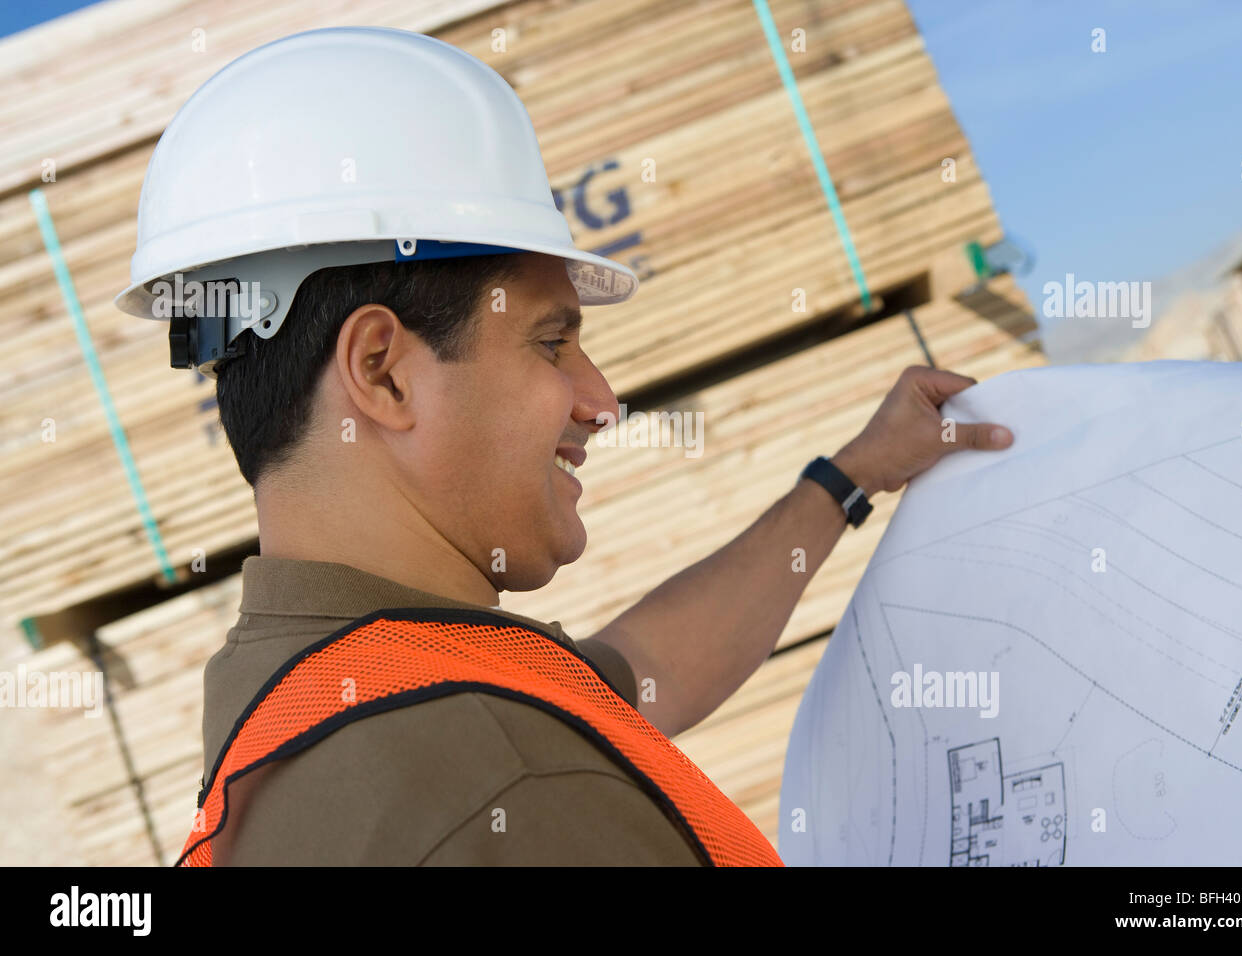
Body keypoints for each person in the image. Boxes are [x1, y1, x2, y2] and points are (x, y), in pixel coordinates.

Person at [116, 27, 1013, 866]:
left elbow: (638, 676)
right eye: (552, 343)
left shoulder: (315, 691)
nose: (602, 400)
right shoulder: (506, 786)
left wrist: (847, 477)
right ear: (383, 372)